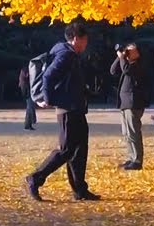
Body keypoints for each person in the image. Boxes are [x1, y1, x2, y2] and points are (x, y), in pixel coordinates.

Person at [25, 21, 99, 202]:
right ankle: (35, 178)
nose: (86, 45)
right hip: (68, 109)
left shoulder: (68, 53)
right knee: (66, 150)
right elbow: (49, 76)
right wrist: (48, 99)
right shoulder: (66, 55)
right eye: (84, 41)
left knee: (79, 150)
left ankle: (80, 190)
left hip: (76, 107)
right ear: (76, 39)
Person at [110, 42, 147, 170]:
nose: (128, 53)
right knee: (127, 133)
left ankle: (137, 160)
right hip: (125, 103)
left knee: (133, 132)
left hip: (133, 103)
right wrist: (120, 56)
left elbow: (126, 70)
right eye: (128, 51)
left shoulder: (138, 65)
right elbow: (113, 71)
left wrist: (122, 58)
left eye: (131, 51)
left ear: (137, 53)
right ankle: (131, 158)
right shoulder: (127, 64)